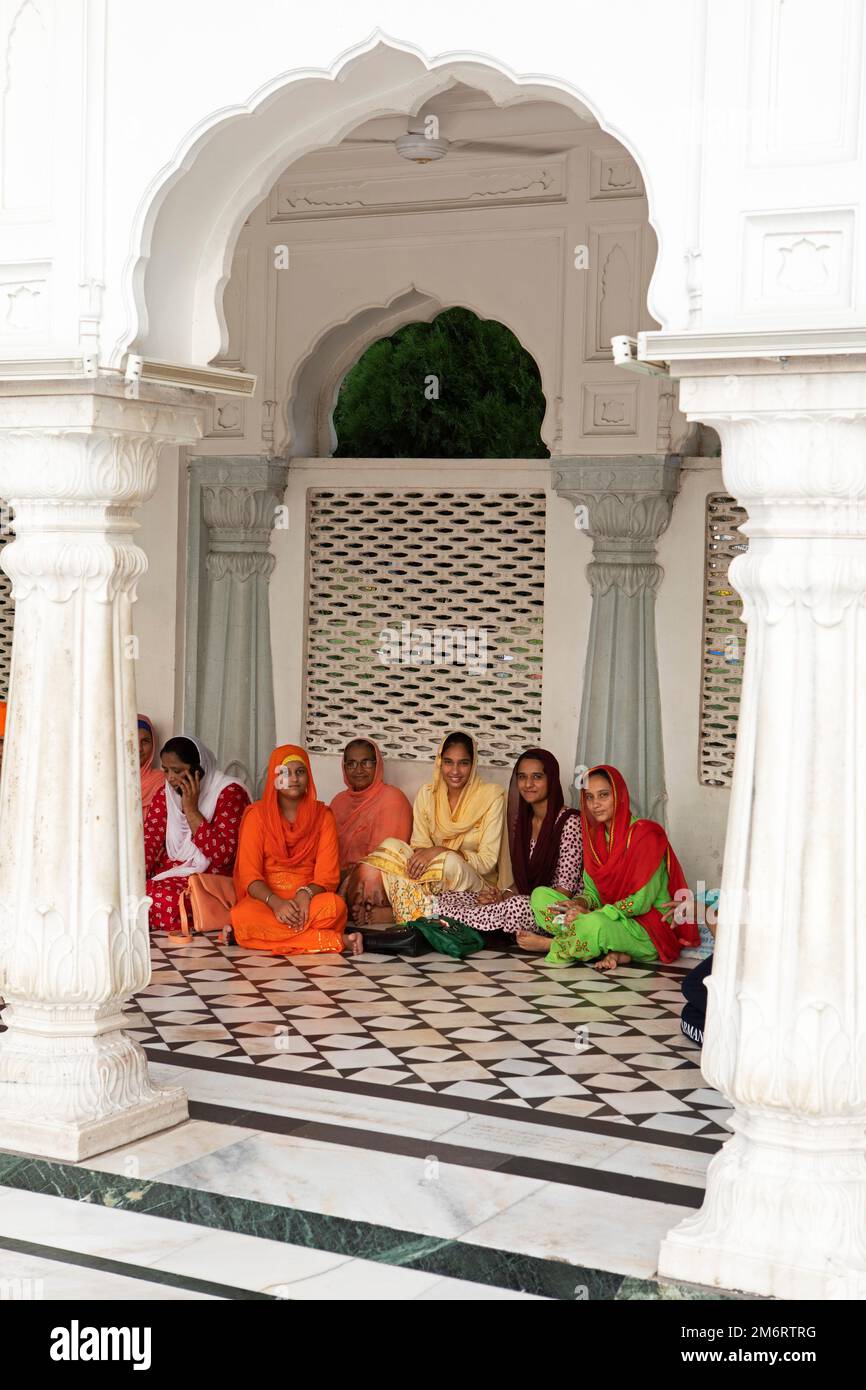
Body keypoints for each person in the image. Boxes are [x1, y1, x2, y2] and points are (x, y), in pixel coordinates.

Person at [529, 763, 698, 971]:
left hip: (647, 928)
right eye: (589, 797)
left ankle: (553, 944)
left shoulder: (646, 835)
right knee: (540, 897)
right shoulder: (594, 838)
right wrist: (579, 903)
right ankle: (595, 942)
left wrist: (590, 914)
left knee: (595, 924)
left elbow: (640, 903)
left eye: (603, 795)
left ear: (619, 795)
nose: (595, 804)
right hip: (607, 917)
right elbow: (592, 892)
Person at [348, 731, 509, 926]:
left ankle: (397, 912)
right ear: (440, 762)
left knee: (449, 862)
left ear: (473, 764)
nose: (455, 771)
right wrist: (426, 856)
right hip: (430, 875)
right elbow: (419, 846)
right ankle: (412, 907)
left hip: (472, 881)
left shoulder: (491, 797)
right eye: (449, 762)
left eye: (463, 763)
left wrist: (440, 851)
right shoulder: (427, 794)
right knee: (390, 846)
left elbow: (487, 862)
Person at [434, 748, 582, 945]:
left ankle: (465, 926)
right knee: (449, 898)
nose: (528, 784)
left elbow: (566, 891)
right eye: (522, 777)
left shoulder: (570, 822)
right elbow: (522, 882)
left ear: (551, 779)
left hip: (555, 911)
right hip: (525, 900)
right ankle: (479, 926)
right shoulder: (524, 822)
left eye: (536, 777)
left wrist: (515, 901)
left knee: (516, 907)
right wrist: (502, 895)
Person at [231, 743, 362, 955]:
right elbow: (249, 876)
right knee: (242, 916)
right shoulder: (256, 816)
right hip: (267, 901)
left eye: (300, 772)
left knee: (336, 907)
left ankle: (268, 937)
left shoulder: (323, 816)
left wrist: (305, 894)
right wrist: (276, 904)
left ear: (308, 776)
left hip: (309, 901)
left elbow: (327, 876)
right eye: (285, 772)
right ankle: (334, 940)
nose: (293, 778)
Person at [144, 735, 249, 932]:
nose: (170, 778)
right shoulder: (166, 793)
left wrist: (192, 811)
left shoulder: (230, 793)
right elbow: (150, 841)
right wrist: (134, 876)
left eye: (177, 771)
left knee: (166, 902)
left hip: (210, 879)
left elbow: (224, 857)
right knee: (133, 894)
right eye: (166, 770)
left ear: (199, 769)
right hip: (169, 874)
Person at [330, 738, 412, 888]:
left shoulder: (392, 799)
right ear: (344, 767)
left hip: (374, 882)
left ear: (377, 765)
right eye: (351, 764)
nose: (359, 770)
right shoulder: (338, 802)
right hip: (335, 877)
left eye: (366, 762)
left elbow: (383, 861)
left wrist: (341, 878)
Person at [138, 715, 165, 823]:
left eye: (145, 741)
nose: (139, 749)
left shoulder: (161, 781)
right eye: (132, 740)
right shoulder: (108, 781)